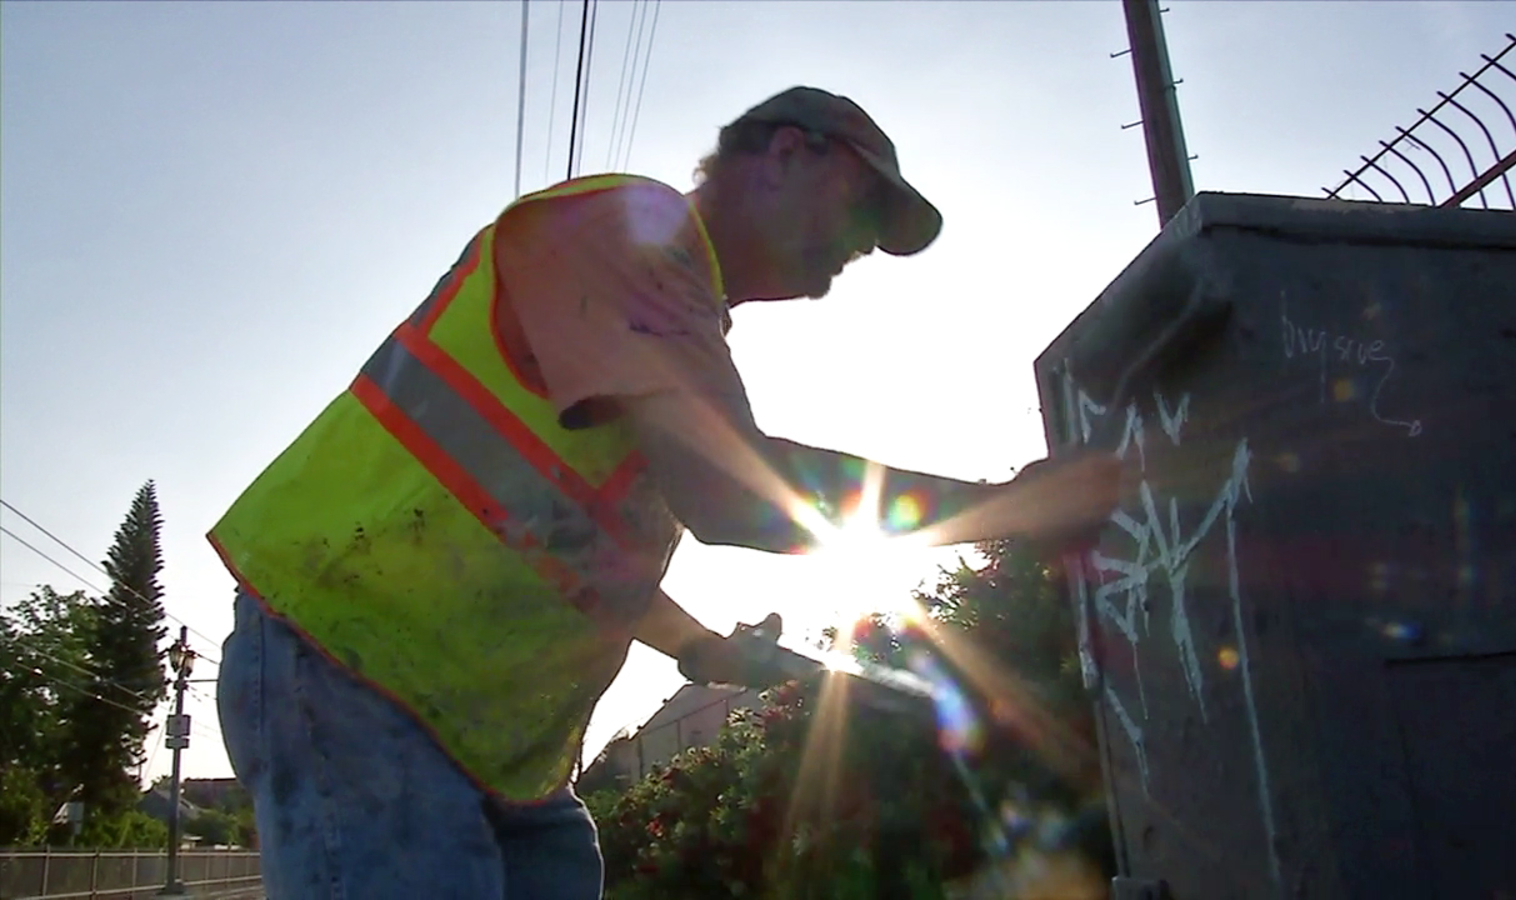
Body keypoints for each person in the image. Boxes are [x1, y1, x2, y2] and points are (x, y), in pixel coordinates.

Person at [209, 86, 1122, 899]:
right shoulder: (624, 232)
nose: (861, 247)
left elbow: (563, 539)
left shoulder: (664, 333)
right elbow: (732, 496)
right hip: (353, 662)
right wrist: (1006, 507)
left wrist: (705, 648)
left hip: (479, 731)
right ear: (785, 153)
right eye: (862, 205)